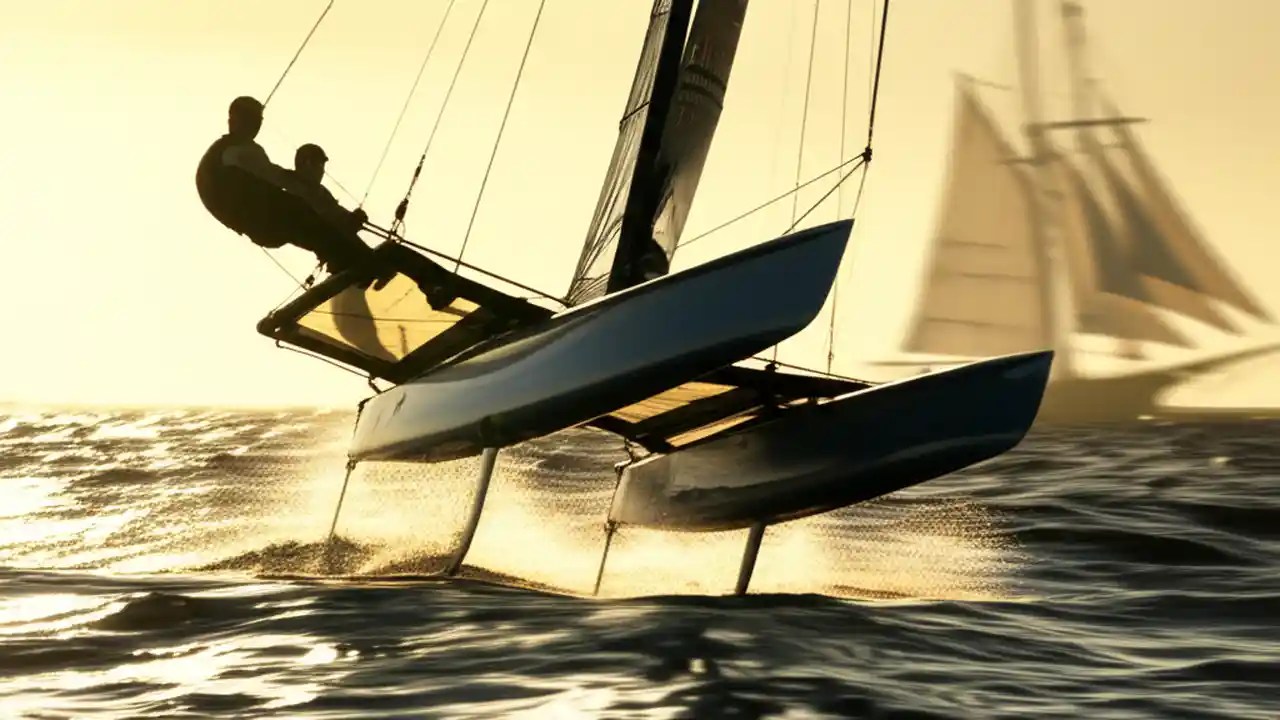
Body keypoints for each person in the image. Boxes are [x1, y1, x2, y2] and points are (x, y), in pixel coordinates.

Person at [195, 96, 375, 274]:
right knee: (299, 211)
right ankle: (351, 258)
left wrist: (343, 218)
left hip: (247, 219)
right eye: (251, 119)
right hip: (251, 213)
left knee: (298, 216)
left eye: (258, 121)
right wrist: (304, 184)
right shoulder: (239, 150)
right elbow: (277, 177)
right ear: (233, 120)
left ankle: (341, 254)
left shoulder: (224, 151)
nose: (256, 126)